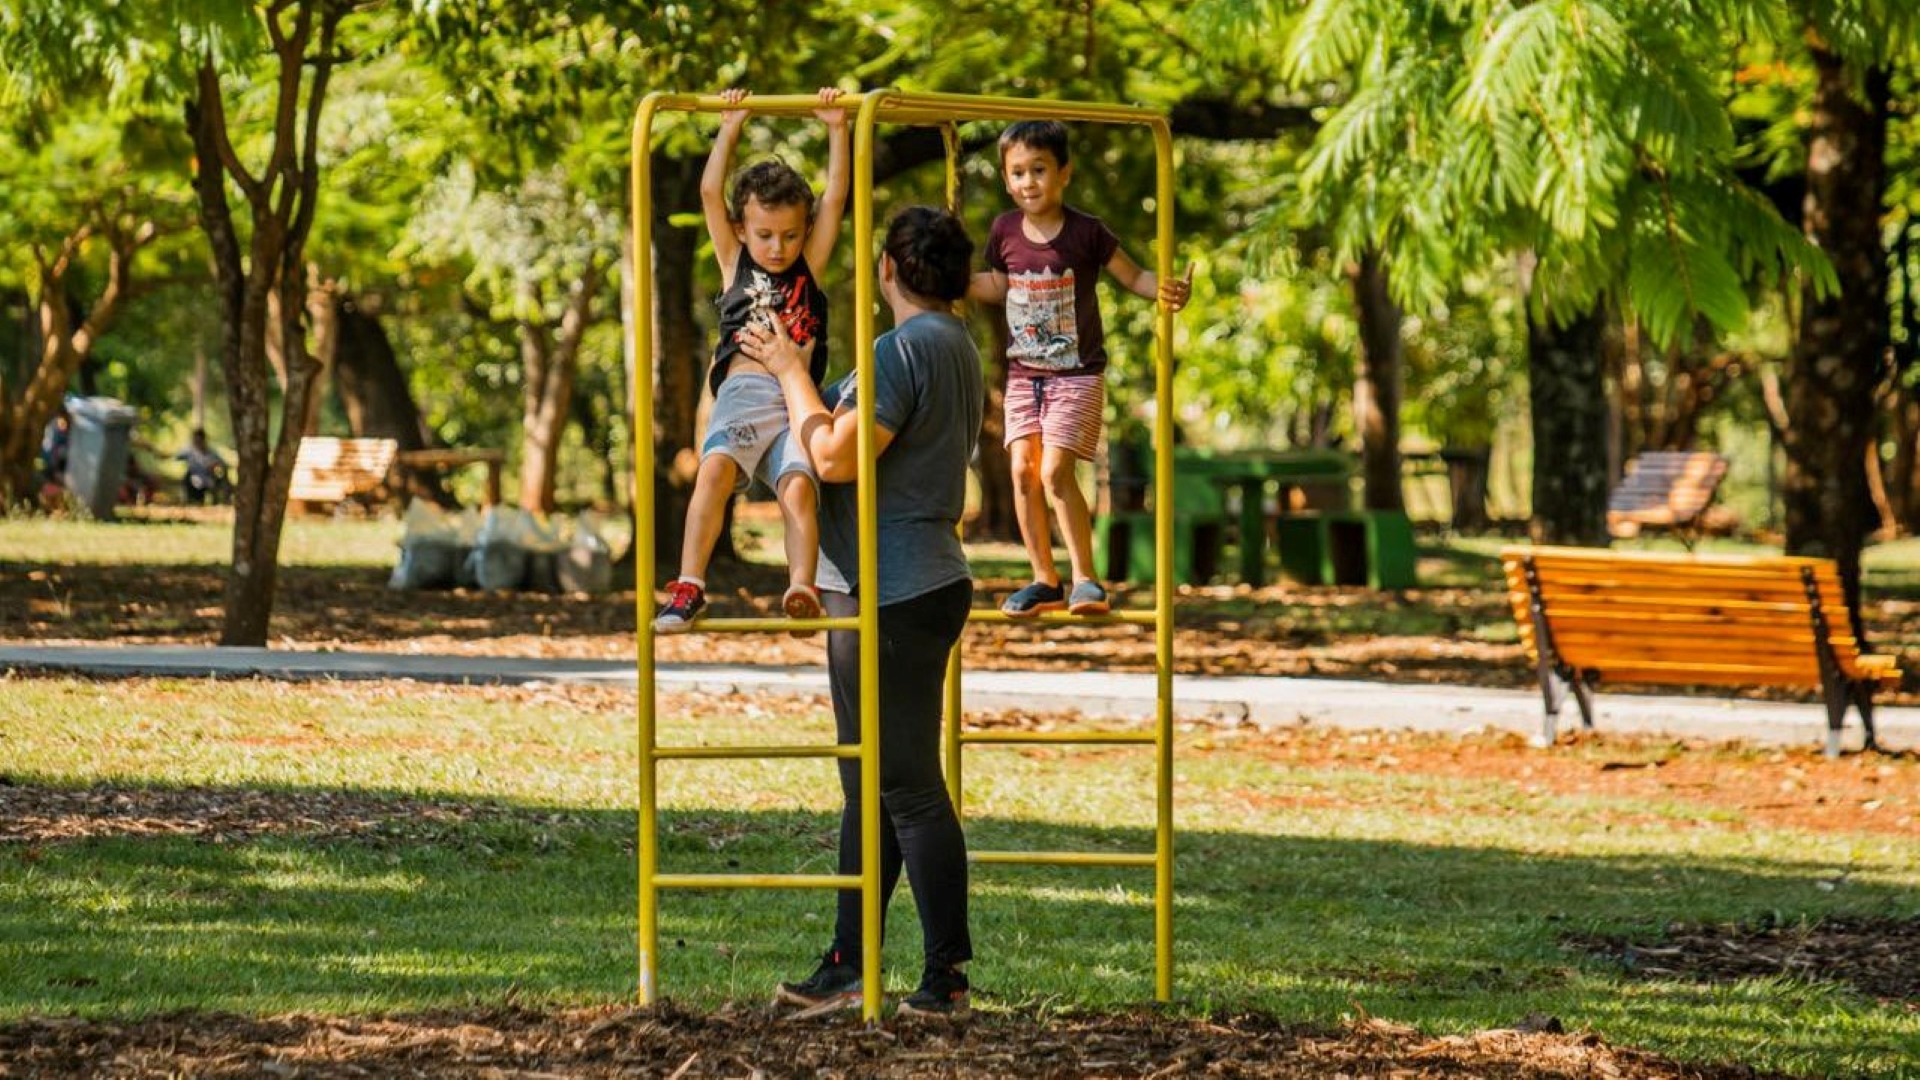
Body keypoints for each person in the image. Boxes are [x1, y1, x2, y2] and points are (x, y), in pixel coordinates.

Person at [739, 206, 984, 1018]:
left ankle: (945, 974)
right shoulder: (956, 347)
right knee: (867, 782)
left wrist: (787, 370)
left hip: (897, 588)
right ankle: (850, 959)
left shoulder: (903, 349)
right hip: (898, 579)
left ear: (887, 270)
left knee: (906, 784)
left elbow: (837, 456)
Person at [968, 119, 1191, 617]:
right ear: (1007, 179)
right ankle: (1044, 578)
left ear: (1063, 172)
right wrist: (952, 285)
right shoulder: (1004, 230)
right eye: (1019, 173)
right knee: (1022, 470)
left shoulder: (1087, 231)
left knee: (1053, 470)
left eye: (1039, 170)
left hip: (1076, 373)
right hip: (1024, 374)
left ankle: (1086, 579)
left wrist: (1165, 287)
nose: (1029, 182)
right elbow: (998, 286)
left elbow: (1132, 275)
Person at [652, 87, 849, 636]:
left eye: (790, 234)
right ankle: (690, 585)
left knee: (798, 489)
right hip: (743, 393)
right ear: (743, 229)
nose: (778, 247)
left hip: (794, 403)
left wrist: (837, 129)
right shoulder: (734, 261)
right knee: (713, 473)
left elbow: (833, 199)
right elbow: (711, 190)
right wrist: (731, 125)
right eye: (765, 234)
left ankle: (802, 585)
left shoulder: (808, 264)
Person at [176, 428, 230, 505]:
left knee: (217, 480)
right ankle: (189, 500)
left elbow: (223, 464)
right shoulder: (189, 451)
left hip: (208, 478)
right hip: (193, 479)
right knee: (188, 478)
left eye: (199, 440)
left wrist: (215, 467)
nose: (197, 442)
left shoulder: (211, 452)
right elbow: (177, 456)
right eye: (195, 440)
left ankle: (219, 500)